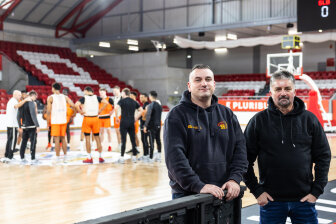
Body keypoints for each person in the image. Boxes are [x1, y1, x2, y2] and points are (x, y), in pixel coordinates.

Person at [244, 70, 331, 223]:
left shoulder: (309, 120)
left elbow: (323, 156)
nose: (283, 93)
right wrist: (256, 191)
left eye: (287, 89)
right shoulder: (258, 121)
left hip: (304, 201)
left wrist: (317, 191)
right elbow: (244, 160)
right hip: (271, 202)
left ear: (294, 91)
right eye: (278, 89)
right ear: (271, 92)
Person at [164, 64, 247, 200]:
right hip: (188, 194)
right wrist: (198, 185)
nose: (204, 83)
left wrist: (234, 179)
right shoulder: (176, 115)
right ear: (189, 86)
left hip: (224, 192)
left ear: (213, 84)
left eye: (208, 79)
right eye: (198, 80)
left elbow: (241, 151)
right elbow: (174, 158)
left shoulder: (227, 114)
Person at [75, 86, 108, 163]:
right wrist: (100, 110)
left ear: (86, 91)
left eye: (84, 91)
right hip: (96, 119)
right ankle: (100, 157)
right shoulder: (97, 97)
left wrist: (80, 112)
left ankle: (89, 158)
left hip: (87, 119)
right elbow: (106, 102)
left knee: (87, 139)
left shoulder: (84, 98)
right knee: (97, 138)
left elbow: (76, 104)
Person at [47, 83, 75, 163]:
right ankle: (65, 156)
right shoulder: (65, 97)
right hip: (63, 121)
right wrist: (74, 113)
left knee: (56, 139)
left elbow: (48, 112)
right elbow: (73, 105)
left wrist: (47, 123)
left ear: (53, 88)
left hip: (55, 121)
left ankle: (57, 157)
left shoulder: (50, 97)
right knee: (63, 138)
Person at [114, 88, 143, 163]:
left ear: (124, 93)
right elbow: (141, 110)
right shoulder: (134, 101)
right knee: (133, 140)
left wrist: (117, 117)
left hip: (123, 122)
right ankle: (134, 157)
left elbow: (116, 108)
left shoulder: (122, 101)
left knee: (123, 140)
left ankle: (122, 158)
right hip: (131, 122)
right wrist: (136, 117)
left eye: (122, 93)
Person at [3, 90, 27, 162]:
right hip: (13, 124)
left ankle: (7, 155)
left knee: (9, 140)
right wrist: (25, 100)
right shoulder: (14, 101)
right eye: (19, 95)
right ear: (15, 95)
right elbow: (17, 106)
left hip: (10, 124)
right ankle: (10, 156)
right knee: (13, 141)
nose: (20, 96)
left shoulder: (11, 101)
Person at [17, 91, 40, 165]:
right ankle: (33, 158)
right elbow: (33, 115)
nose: (36, 98)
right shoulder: (31, 103)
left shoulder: (22, 103)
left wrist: (20, 126)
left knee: (24, 142)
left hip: (24, 126)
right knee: (33, 142)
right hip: (32, 126)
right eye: (35, 97)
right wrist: (37, 125)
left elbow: (18, 116)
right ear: (32, 96)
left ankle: (22, 157)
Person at [144, 91, 162, 162]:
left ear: (150, 96)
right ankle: (159, 156)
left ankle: (151, 158)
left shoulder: (151, 105)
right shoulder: (159, 105)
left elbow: (148, 116)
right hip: (158, 125)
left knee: (151, 141)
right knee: (158, 140)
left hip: (152, 126)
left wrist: (145, 125)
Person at [138, 93, 150, 162]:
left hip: (145, 126)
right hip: (143, 125)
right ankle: (146, 154)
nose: (140, 98)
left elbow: (147, 115)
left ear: (146, 97)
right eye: (140, 97)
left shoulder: (147, 104)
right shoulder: (144, 105)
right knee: (144, 140)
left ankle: (146, 155)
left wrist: (145, 125)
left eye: (142, 97)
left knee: (145, 140)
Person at [113, 86, 122, 150]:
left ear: (119, 90)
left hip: (121, 116)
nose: (114, 92)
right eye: (114, 91)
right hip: (115, 116)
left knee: (121, 131)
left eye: (116, 91)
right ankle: (119, 145)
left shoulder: (122, 97)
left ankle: (122, 145)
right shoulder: (114, 98)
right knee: (117, 131)